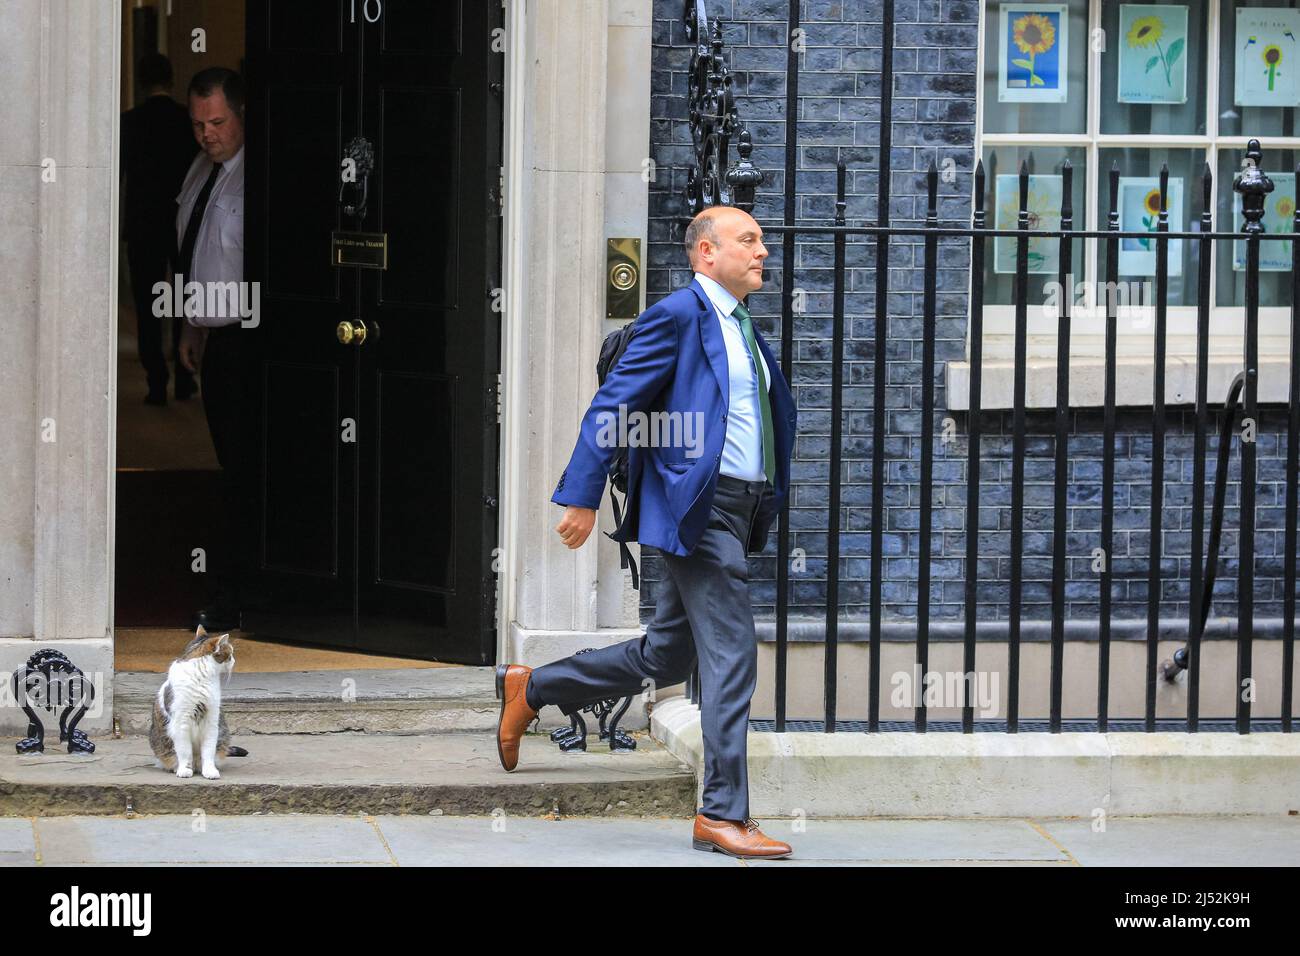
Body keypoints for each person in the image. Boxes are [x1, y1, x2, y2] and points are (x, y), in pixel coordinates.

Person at [495, 206, 798, 859]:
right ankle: (720, 814)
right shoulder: (678, 317)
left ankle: (534, 688)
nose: (762, 251)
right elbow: (616, 405)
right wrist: (580, 495)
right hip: (698, 510)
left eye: (762, 241)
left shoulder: (743, 328)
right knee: (732, 652)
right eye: (748, 240)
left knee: (668, 657)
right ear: (705, 254)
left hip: (736, 508)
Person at [174, 67, 250, 633]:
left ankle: (237, 594)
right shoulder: (203, 170)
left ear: (240, 114)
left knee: (243, 475)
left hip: (251, 342)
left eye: (218, 121)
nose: (208, 133)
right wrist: (191, 326)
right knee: (227, 466)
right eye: (199, 123)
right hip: (214, 340)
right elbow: (200, 255)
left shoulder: (256, 178)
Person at [121, 53, 200, 405]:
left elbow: (120, 175)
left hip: (144, 223)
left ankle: (156, 380)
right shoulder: (186, 122)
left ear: (141, 82)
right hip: (180, 222)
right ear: (171, 81)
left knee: (148, 303)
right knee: (184, 297)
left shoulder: (130, 123)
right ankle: (185, 376)